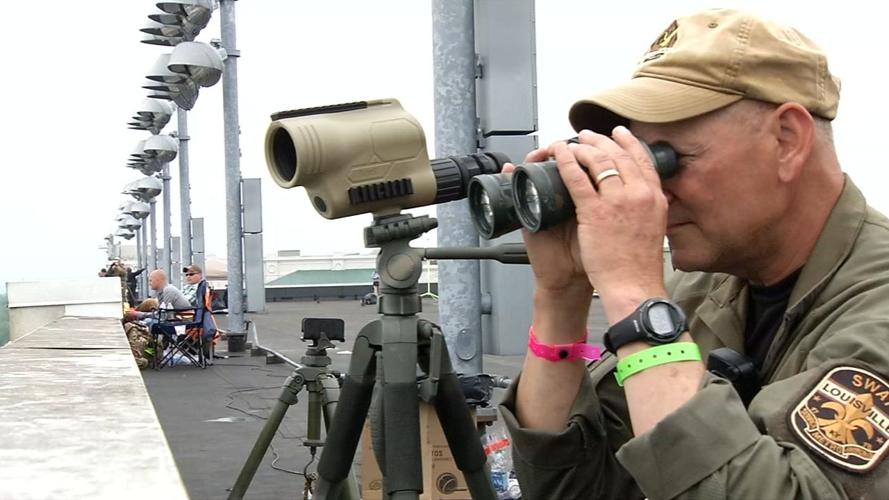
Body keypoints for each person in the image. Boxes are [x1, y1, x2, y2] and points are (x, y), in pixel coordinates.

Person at [500, 9, 889, 499]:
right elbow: (574, 486)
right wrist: (560, 296)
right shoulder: (698, 294)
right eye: (637, 161)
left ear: (787, 140)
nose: (655, 194)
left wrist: (633, 294)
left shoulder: (876, 307)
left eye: (667, 160)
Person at [125, 270, 192, 322]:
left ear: (158, 280)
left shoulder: (168, 290)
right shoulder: (161, 291)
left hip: (183, 321)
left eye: (150, 281)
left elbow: (163, 316)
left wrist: (138, 314)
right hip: (177, 318)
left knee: (146, 322)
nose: (149, 283)